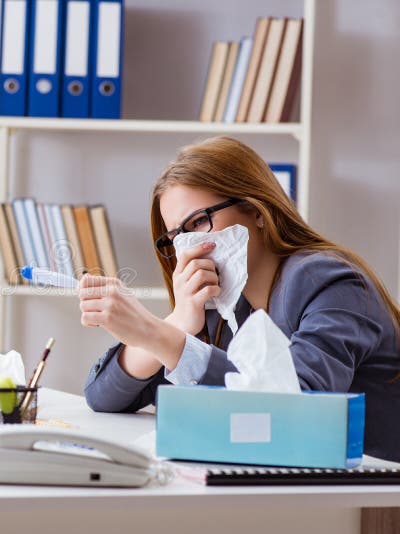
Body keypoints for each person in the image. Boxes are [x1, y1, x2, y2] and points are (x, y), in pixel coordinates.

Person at [80, 136, 400, 461]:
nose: (189, 246)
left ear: (256, 210)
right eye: (176, 236)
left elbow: (293, 412)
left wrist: (160, 336)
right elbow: (103, 397)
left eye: (199, 221)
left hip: (375, 496)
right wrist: (177, 323)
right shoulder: (224, 301)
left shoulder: (327, 280)